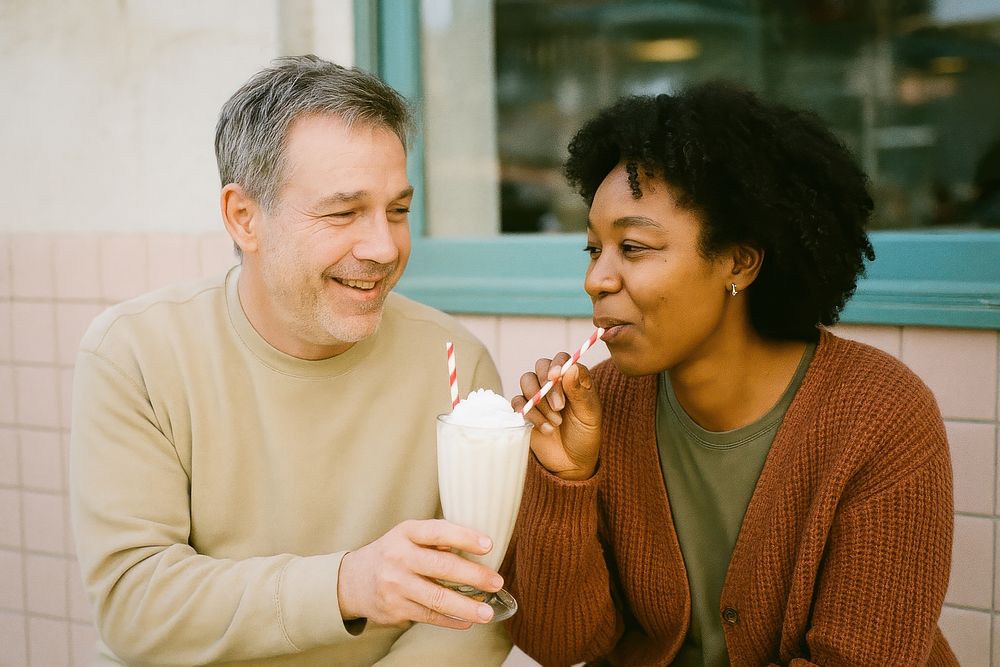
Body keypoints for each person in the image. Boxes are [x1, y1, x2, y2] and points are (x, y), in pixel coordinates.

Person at [70, 55, 512, 665]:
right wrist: (347, 584)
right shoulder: (135, 352)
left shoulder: (454, 360)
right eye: (343, 212)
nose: (384, 246)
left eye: (399, 211)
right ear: (244, 218)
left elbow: (475, 603)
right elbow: (135, 603)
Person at [505, 82, 957, 666]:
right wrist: (565, 480)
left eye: (634, 247)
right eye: (595, 249)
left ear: (739, 261)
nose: (597, 279)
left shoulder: (881, 416)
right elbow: (557, 644)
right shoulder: (605, 405)